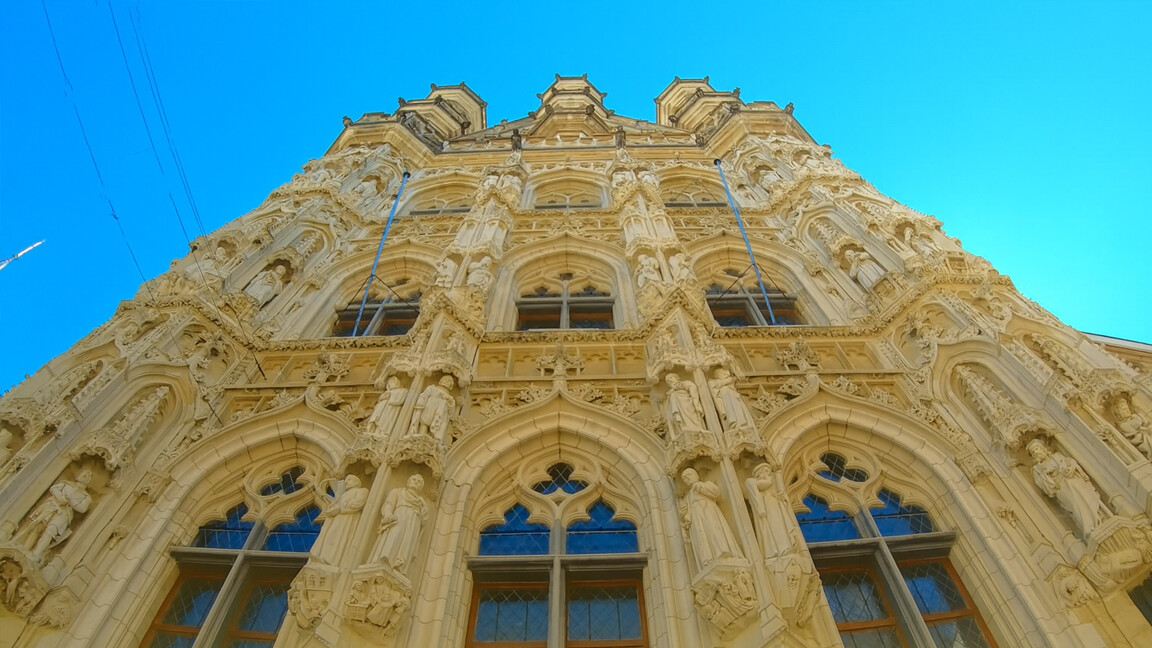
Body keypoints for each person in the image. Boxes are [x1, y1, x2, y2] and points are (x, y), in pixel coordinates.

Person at [1027, 439, 1108, 537]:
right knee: (1076, 504)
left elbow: (1071, 462)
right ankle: (1089, 528)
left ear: (1043, 449)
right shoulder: (1037, 469)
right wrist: (1046, 474)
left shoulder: (1057, 456)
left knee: (1087, 498)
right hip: (1062, 488)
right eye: (1033, 452)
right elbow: (1045, 487)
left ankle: (1101, 518)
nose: (1036, 452)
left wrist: (1070, 468)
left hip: (1074, 480)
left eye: (1037, 448)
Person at [13, 470, 94, 563]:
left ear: (89, 481)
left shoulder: (86, 497)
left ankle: (36, 553)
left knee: (51, 530)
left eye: (89, 475)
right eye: (84, 474)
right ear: (77, 476)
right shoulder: (66, 484)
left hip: (64, 513)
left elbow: (82, 508)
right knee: (38, 526)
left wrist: (70, 501)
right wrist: (60, 497)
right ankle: (25, 549)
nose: (86, 475)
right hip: (52, 505)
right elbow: (54, 488)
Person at [681, 468, 744, 569]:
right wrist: (685, 514)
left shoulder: (705, 484)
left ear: (696, 475)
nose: (687, 479)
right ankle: (707, 559)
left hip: (708, 512)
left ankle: (722, 552)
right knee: (701, 538)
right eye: (685, 479)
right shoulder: (688, 496)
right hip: (696, 520)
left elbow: (715, 493)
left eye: (689, 475)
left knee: (714, 531)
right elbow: (687, 514)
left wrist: (700, 486)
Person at [369, 474, 428, 570]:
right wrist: (388, 515)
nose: (416, 482)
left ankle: (399, 565)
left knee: (407, 542)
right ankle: (385, 558)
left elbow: (424, 519)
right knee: (395, 535)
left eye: (419, 482)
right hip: (399, 517)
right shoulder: (398, 491)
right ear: (408, 482)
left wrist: (424, 506)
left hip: (413, 523)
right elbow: (389, 504)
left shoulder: (420, 501)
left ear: (421, 487)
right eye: (414, 479)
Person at [313, 475, 370, 564]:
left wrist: (341, 509)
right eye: (346, 480)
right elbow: (337, 506)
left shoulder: (362, 490)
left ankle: (333, 561)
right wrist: (334, 507)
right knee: (331, 536)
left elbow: (358, 503)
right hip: (338, 518)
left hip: (348, 518)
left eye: (349, 480)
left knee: (341, 538)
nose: (346, 482)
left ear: (357, 482)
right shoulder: (343, 495)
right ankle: (324, 557)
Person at [407, 376, 457, 442]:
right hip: (429, 408)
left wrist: (449, 400)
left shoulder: (450, 398)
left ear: (451, 386)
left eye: (449, 381)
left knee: (437, 427)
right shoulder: (432, 388)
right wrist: (421, 402)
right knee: (424, 422)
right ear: (440, 381)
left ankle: (433, 440)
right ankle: (421, 435)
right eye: (445, 379)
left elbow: (451, 411)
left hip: (440, 413)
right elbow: (424, 395)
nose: (446, 382)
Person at [709, 368, 757, 433]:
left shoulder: (728, 382)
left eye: (725, 374)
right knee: (730, 408)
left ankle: (740, 422)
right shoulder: (713, 382)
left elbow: (734, 379)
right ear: (717, 376)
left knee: (737, 409)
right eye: (722, 374)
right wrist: (728, 380)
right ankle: (733, 422)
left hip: (734, 397)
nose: (725, 375)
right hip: (726, 400)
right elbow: (714, 385)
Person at [664, 375, 707, 442]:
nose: (669, 380)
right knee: (673, 396)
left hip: (686, 402)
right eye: (667, 380)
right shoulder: (671, 393)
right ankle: (680, 421)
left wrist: (695, 401)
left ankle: (694, 426)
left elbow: (692, 387)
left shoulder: (684, 383)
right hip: (678, 406)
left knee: (690, 414)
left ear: (676, 378)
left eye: (671, 377)